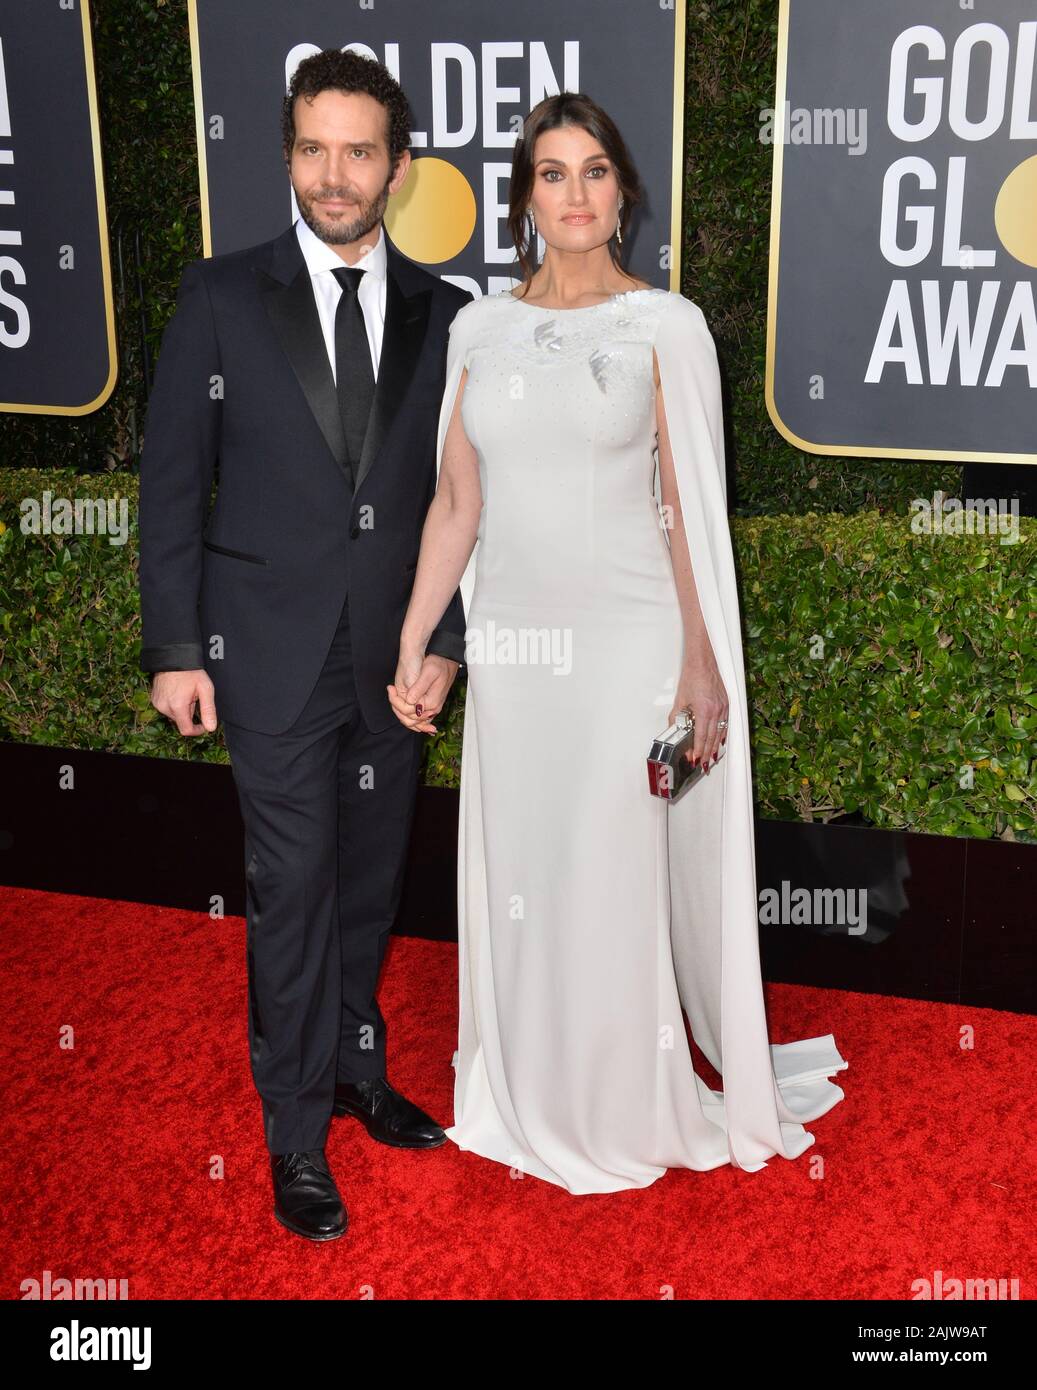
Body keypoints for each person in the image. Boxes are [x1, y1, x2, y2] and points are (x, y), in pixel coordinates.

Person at [389, 93, 848, 1194]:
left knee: (607, 869)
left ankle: (623, 1098)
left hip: (624, 640)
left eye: (594, 170)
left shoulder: (665, 326)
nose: (575, 193)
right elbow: (456, 500)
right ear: (522, 200)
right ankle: (526, 1083)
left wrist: (700, 661)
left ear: (622, 192)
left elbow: (687, 506)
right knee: (528, 866)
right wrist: (414, 638)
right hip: (512, 651)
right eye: (551, 173)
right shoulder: (476, 327)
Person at [138, 50, 471, 1239]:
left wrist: (451, 643)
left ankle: (353, 1068)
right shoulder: (223, 295)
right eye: (315, 149)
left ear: (398, 165)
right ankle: (292, 1135)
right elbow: (172, 483)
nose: (336, 176)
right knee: (292, 891)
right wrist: (176, 646)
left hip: (394, 664)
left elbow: (466, 501)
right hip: (265, 654)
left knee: (368, 886)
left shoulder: (451, 314)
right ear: (287, 155)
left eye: (361, 151)